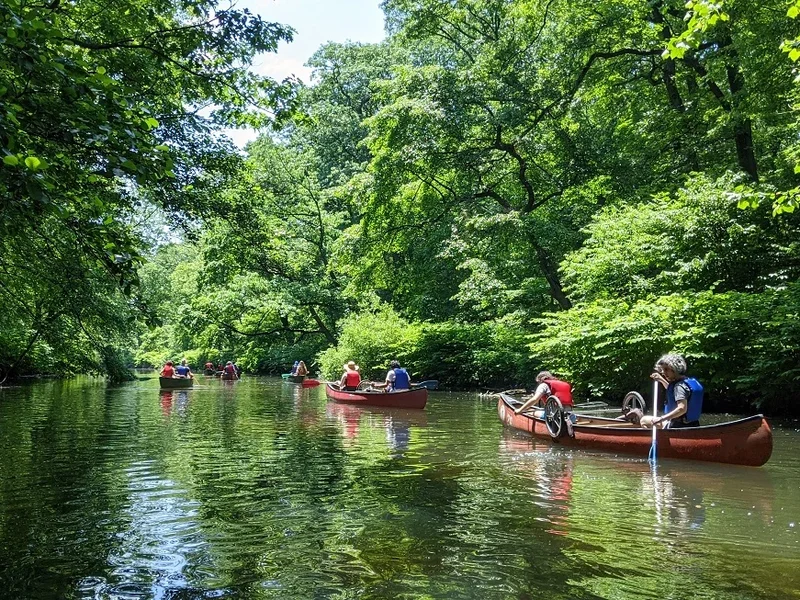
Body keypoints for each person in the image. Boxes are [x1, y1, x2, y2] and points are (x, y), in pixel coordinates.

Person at [641, 354, 703, 429]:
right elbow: (673, 392)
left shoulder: (679, 387)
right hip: (694, 424)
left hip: (677, 425)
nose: (663, 372)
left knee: (644, 420)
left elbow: (682, 409)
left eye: (666, 369)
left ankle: (659, 438)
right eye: (663, 370)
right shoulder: (686, 382)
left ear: (675, 369)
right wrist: (660, 379)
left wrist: (661, 419)